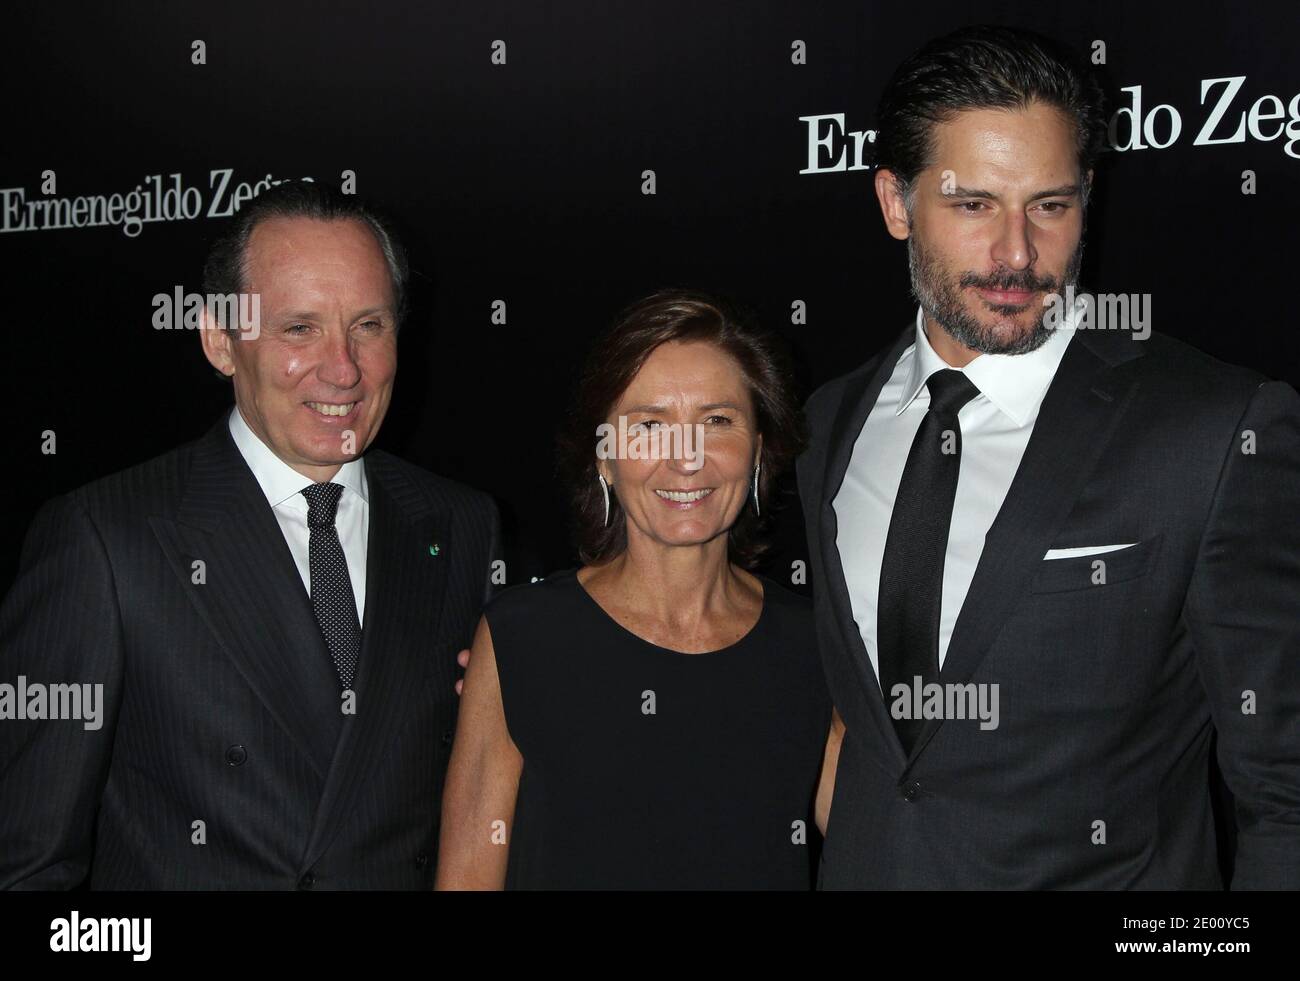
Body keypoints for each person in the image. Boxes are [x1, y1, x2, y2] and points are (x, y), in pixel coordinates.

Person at [800, 25, 1300, 889]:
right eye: (973, 204)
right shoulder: (829, 422)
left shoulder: (1215, 429)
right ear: (894, 202)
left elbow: (1284, 788)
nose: (1017, 254)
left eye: (1050, 204)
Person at [0, 182, 499, 889]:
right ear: (219, 340)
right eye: (300, 328)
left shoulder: (463, 525)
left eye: (369, 325)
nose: (343, 368)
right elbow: (25, 870)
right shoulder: (106, 540)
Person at [436, 290, 834, 889]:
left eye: (717, 421)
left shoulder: (817, 645)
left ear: (758, 449)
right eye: (650, 425)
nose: (686, 459)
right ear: (604, 456)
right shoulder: (523, 636)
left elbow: (885, 842)